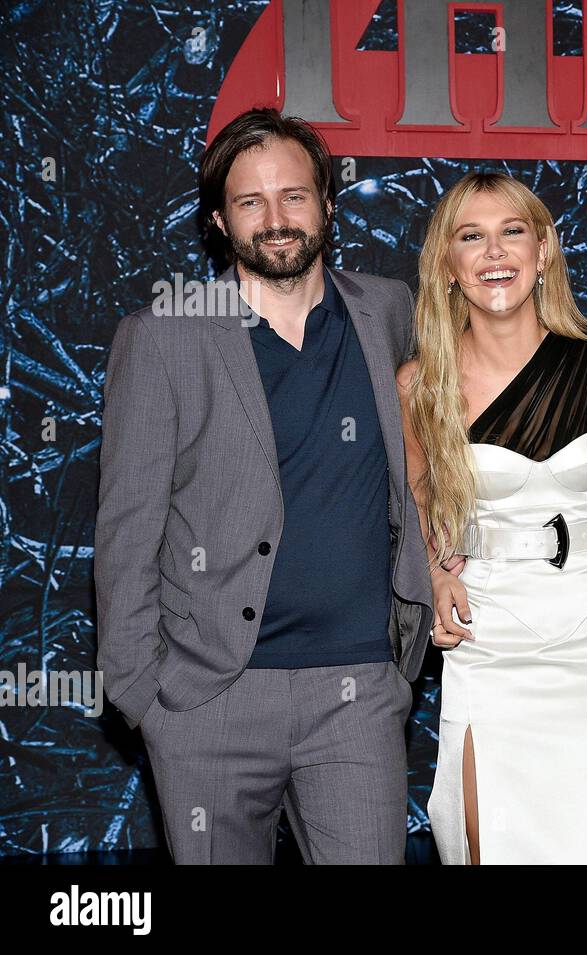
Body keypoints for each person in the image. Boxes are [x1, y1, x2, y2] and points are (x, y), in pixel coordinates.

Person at [94, 108, 434, 863]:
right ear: (219, 219)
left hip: (357, 691)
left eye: (294, 196)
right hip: (209, 697)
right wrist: (144, 696)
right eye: (251, 202)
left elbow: (430, 458)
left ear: (328, 202)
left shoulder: (387, 312)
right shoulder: (164, 335)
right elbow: (126, 529)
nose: (276, 219)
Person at [400, 172, 587, 864]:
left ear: (543, 250)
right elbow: (416, 500)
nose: (494, 252)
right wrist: (431, 570)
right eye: (471, 236)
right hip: (492, 633)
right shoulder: (422, 382)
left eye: (512, 230)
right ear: (448, 264)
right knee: (494, 842)